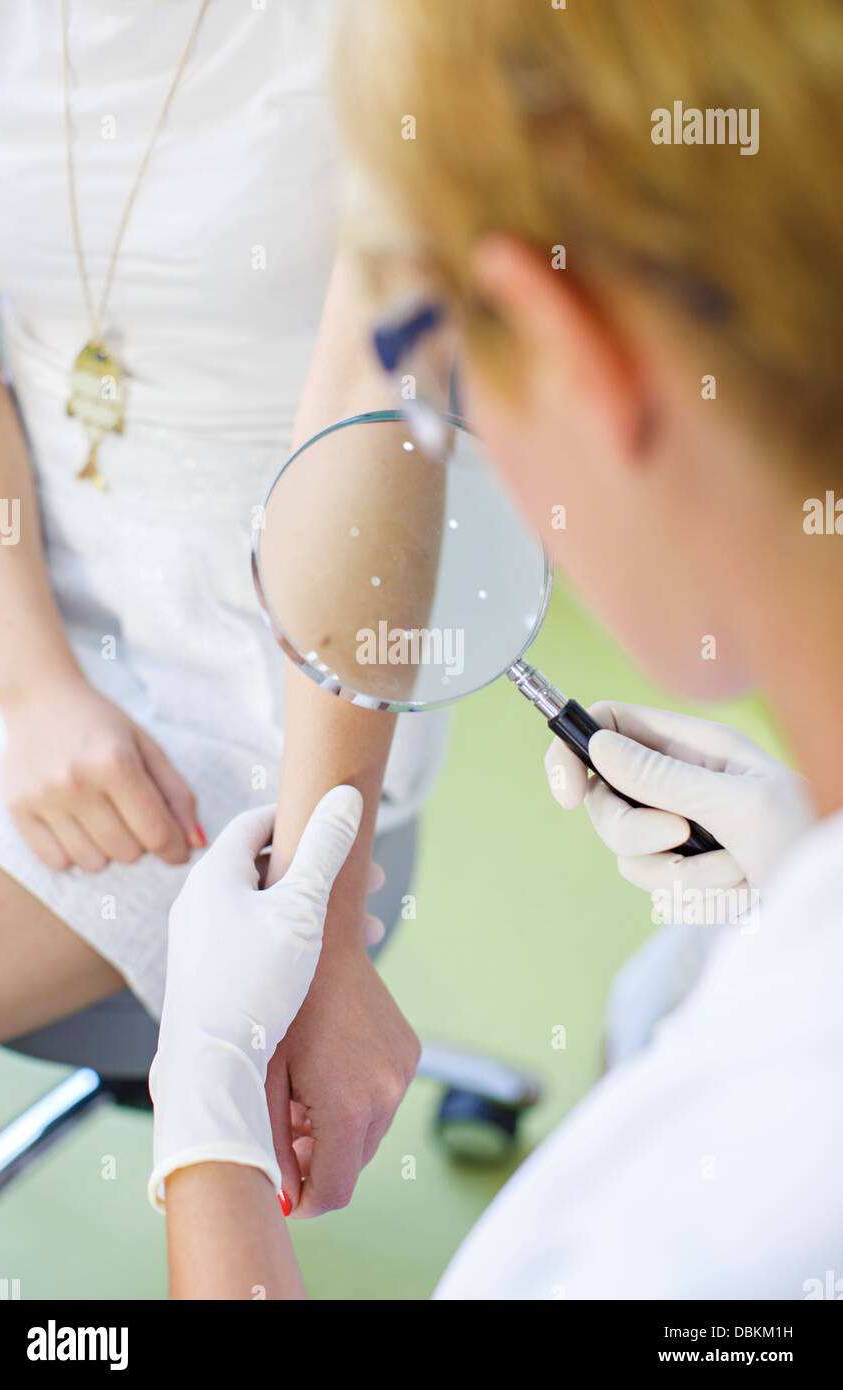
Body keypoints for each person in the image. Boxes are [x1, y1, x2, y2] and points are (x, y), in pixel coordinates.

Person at [149, 0, 843, 1297]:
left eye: (425, 355)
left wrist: (208, 1140)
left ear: (581, 357)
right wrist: (784, 891)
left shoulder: (677, 1243)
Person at [0, 0, 449, 1272]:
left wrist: (324, 917)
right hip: (13, 579)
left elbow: (373, 413)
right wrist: (33, 687)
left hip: (286, 663)